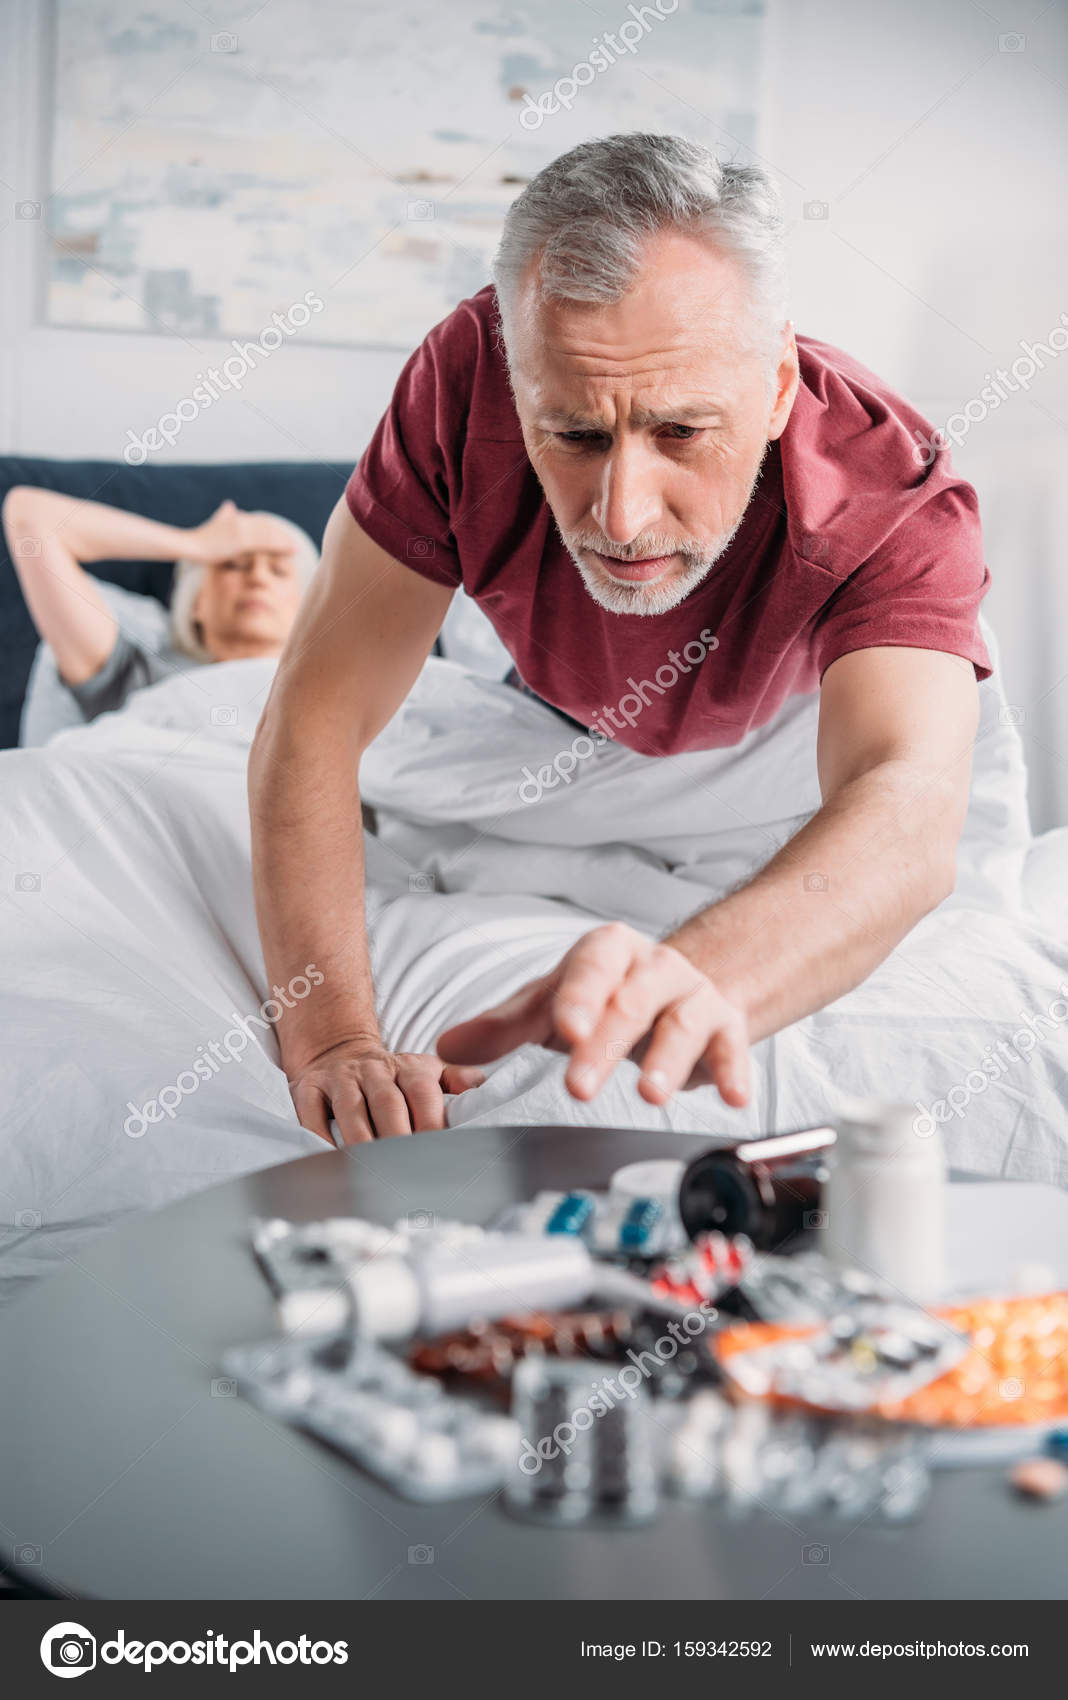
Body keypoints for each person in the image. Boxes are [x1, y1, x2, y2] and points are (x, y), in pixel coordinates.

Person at [248, 132, 989, 1147]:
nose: (624, 515)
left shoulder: (889, 487)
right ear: (516, 379)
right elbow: (315, 710)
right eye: (577, 435)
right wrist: (334, 1040)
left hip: (790, 750)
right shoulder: (460, 379)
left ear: (777, 387)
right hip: (545, 713)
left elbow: (904, 804)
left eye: (682, 431)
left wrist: (685, 981)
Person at [2, 491, 318, 719]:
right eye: (233, 565)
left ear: (306, 610)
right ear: (197, 603)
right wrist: (195, 544)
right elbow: (30, 517)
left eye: (278, 571)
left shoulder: (330, 691)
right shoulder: (136, 672)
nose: (258, 578)